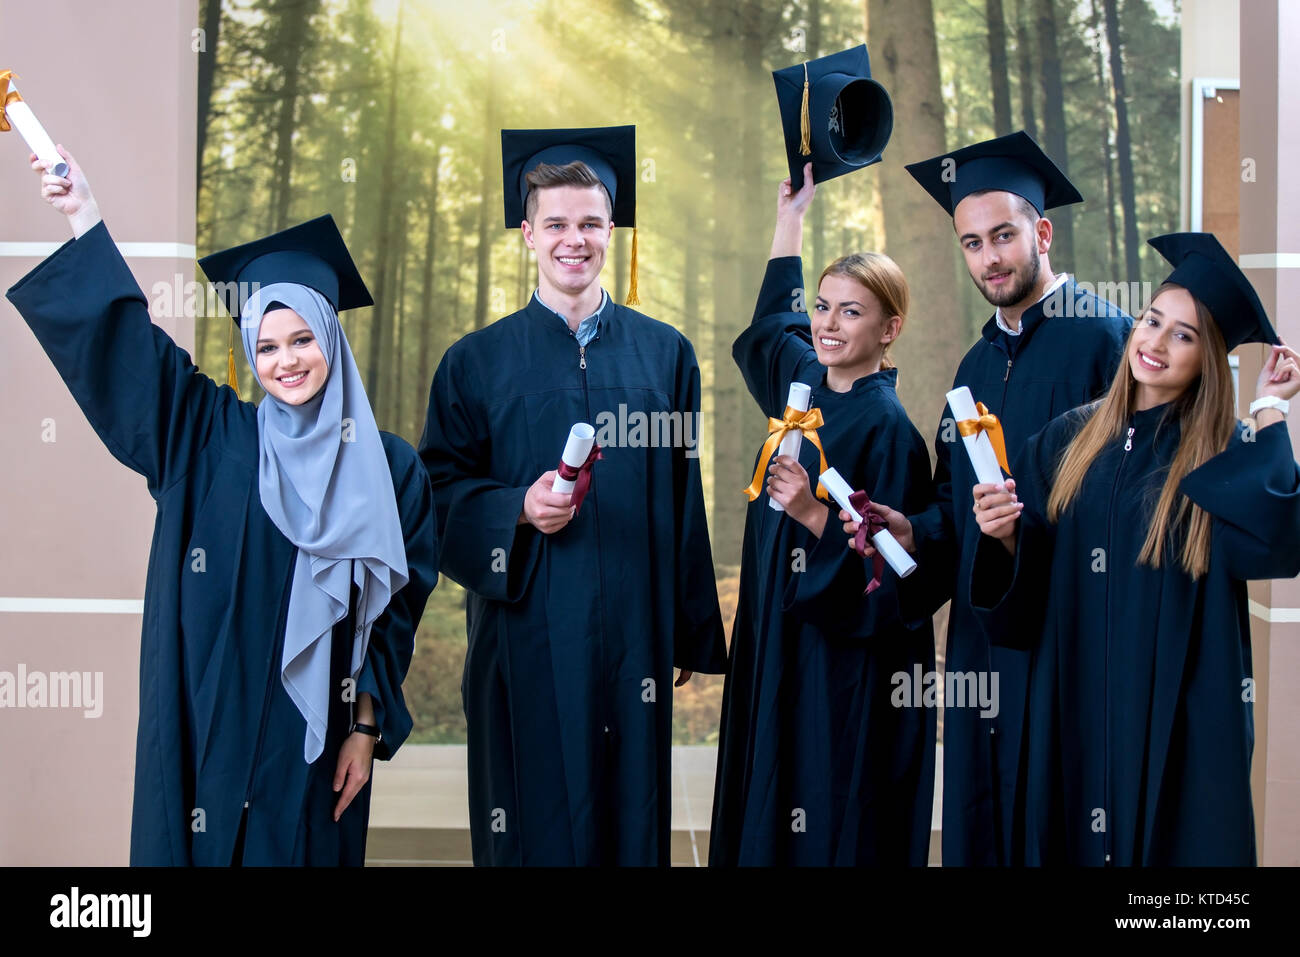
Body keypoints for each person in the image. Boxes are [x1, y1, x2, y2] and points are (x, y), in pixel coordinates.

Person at [7, 147, 438, 866]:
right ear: (248, 351)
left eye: (302, 338)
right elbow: (133, 356)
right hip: (204, 731)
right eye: (266, 346)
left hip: (313, 751)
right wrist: (85, 212)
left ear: (331, 335)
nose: (286, 360)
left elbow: (394, 619)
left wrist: (366, 729)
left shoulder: (390, 469)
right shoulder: (206, 435)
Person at [418, 126, 727, 866]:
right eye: (555, 223)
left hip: (633, 634)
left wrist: (685, 624)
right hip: (525, 635)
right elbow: (437, 491)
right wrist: (516, 509)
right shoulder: (476, 362)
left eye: (591, 223)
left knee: (629, 814)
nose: (574, 240)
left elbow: (683, 494)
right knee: (533, 817)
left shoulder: (665, 353)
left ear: (612, 229)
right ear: (527, 232)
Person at [969, 232, 1300, 865]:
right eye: (1152, 321)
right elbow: (1028, 590)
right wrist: (1009, 537)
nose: (1155, 343)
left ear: (1208, 359)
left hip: (1180, 716)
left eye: (1184, 335)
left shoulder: (1225, 453)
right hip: (1075, 699)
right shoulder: (1065, 440)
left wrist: (1270, 411)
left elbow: (1274, 548)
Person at [862, 131, 1133, 866]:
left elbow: (1132, 500)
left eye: (1004, 235)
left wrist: (1030, 532)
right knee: (984, 812)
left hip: (1066, 634)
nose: (990, 258)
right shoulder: (976, 361)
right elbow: (955, 503)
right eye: (973, 242)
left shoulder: (1111, 340)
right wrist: (911, 530)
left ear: (1042, 232)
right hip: (984, 639)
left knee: (1060, 814)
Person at [709, 164, 937, 865]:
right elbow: (776, 321)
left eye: (852, 311)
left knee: (825, 803)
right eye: (826, 306)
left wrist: (811, 512)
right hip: (777, 640)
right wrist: (792, 218)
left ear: (889, 327)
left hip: (839, 666)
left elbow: (896, 581)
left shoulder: (887, 427)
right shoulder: (804, 385)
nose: (829, 323)